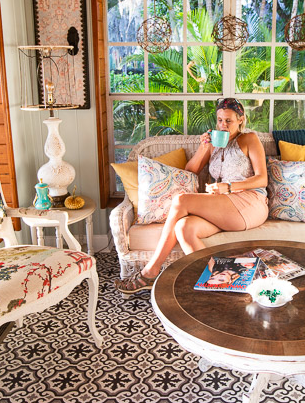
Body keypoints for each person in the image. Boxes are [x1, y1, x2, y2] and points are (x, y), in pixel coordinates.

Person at [114, 98, 268, 294]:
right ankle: (219, 283)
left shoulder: (249, 139)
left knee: (181, 200)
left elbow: (262, 179)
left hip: (249, 202)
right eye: (220, 120)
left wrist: (228, 187)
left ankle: (151, 271)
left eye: (228, 121)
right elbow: (190, 170)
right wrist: (204, 147)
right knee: (184, 227)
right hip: (222, 207)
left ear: (240, 120)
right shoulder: (214, 143)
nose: (223, 125)